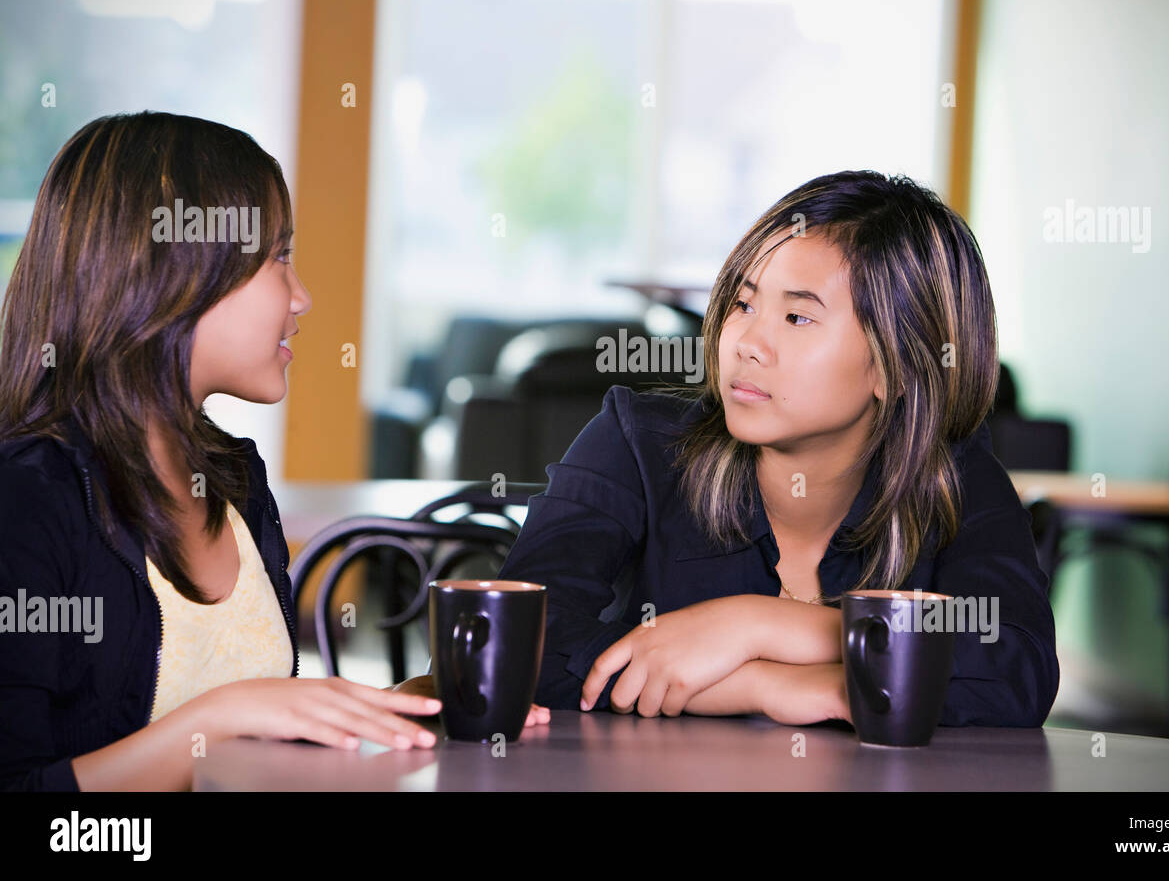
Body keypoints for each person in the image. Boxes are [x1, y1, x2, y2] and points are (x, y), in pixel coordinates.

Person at [0, 111, 548, 791]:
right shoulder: (27, 498)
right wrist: (220, 720)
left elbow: (260, 741)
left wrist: (410, 704)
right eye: (279, 257)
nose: (303, 297)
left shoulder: (232, 477)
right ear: (172, 271)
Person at [498, 170, 1059, 728]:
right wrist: (765, 684)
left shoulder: (956, 478)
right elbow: (510, 637)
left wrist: (754, 626)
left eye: (796, 317)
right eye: (743, 305)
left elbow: (1018, 670)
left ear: (899, 365)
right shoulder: (639, 441)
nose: (746, 344)